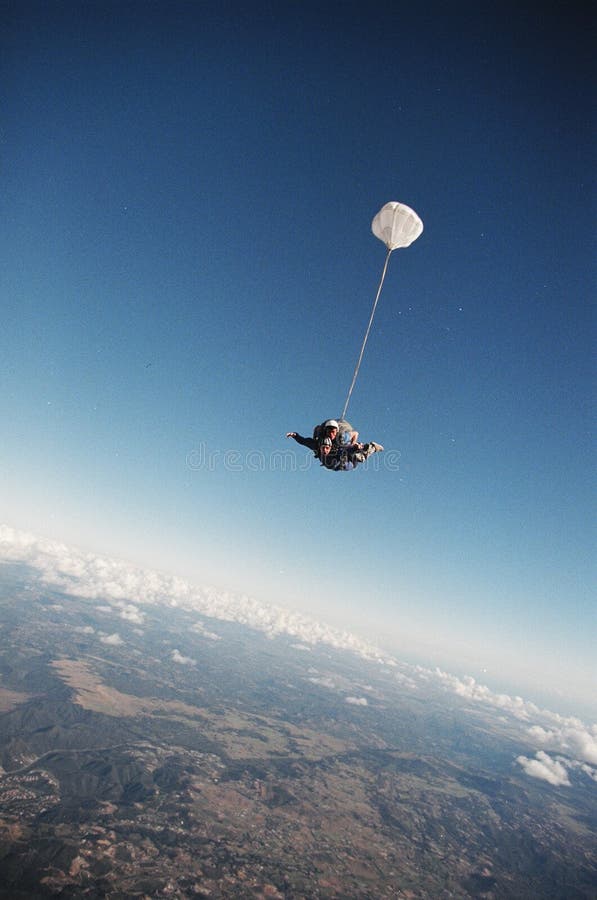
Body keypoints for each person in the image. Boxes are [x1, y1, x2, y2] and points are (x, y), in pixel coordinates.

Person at [286, 430, 383, 471]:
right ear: (319, 446)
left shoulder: (337, 451)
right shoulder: (316, 446)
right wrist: (295, 435)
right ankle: (361, 448)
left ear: (330, 447)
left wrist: (355, 447)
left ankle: (373, 447)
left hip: (346, 462)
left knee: (360, 458)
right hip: (336, 463)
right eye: (323, 447)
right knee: (350, 450)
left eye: (327, 448)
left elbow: (348, 448)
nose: (324, 450)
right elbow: (304, 441)